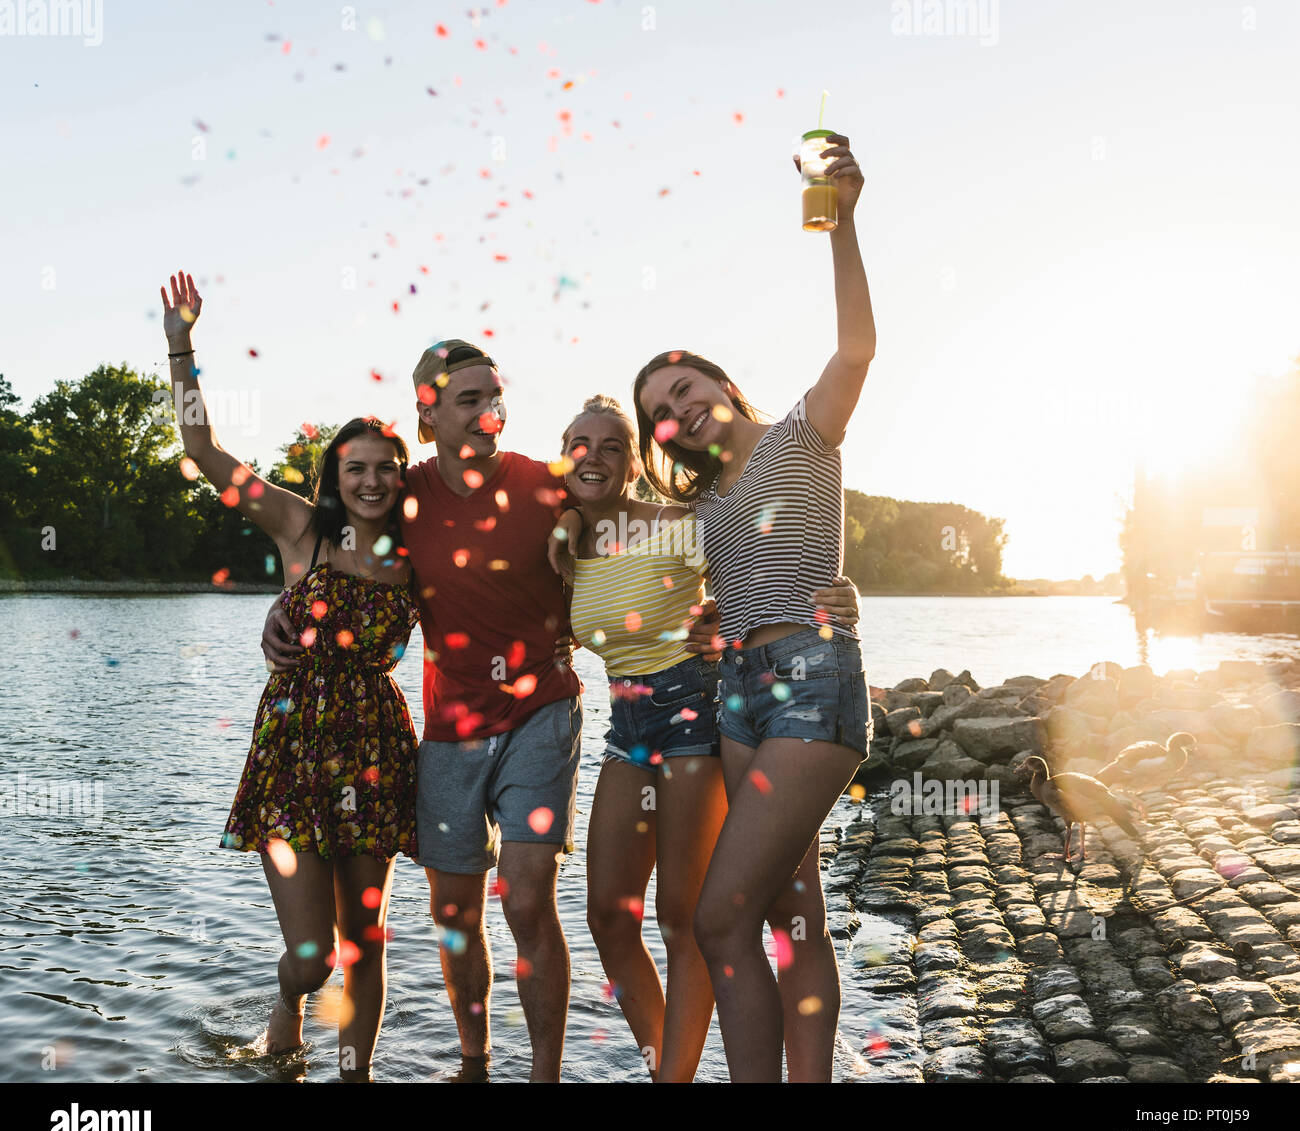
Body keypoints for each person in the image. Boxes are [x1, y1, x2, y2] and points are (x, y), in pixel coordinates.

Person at [262, 340, 723, 1082]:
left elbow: (651, 529)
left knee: (529, 895)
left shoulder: (550, 485)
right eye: (468, 398)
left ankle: (542, 1074)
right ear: (429, 412)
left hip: (542, 712)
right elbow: (327, 554)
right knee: (454, 916)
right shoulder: (399, 492)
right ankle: (474, 1064)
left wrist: (715, 614)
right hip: (448, 733)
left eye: (493, 395)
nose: (487, 410)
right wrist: (283, 613)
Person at [625, 133, 876, 1081]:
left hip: (813, 685)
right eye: (661, 409)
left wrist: (842, 219)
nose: (677, 411)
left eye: (685, 387)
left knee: (720, 913)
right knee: (788, 913)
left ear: (721, 383)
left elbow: (858, 343)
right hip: (739, 696)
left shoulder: (804, 434)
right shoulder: (698, 506)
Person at [159, 270, 419, 1082]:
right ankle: (289, 999)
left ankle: (355, 1074)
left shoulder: (416, 562)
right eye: (357, 468)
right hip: (294, 750)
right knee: (313, 954)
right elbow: (203, 452)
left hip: (376, 750)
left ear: (401, 477)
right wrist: (182, 344)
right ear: (334, 476)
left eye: (386, 468)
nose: (372, 481)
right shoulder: (301, 530)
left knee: (364, 942)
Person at [553, 396, 860, 1082]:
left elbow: (766, 557)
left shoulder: (678, 523)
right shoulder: (564, 537)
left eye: (611, 444)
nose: (594, 455)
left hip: (697, 708)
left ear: (635, 462)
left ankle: (676, 1076)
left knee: (682, 916)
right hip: (625, 724)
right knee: (607, 912)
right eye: (580, 443)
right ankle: (667, 1060)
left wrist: (835, 596)